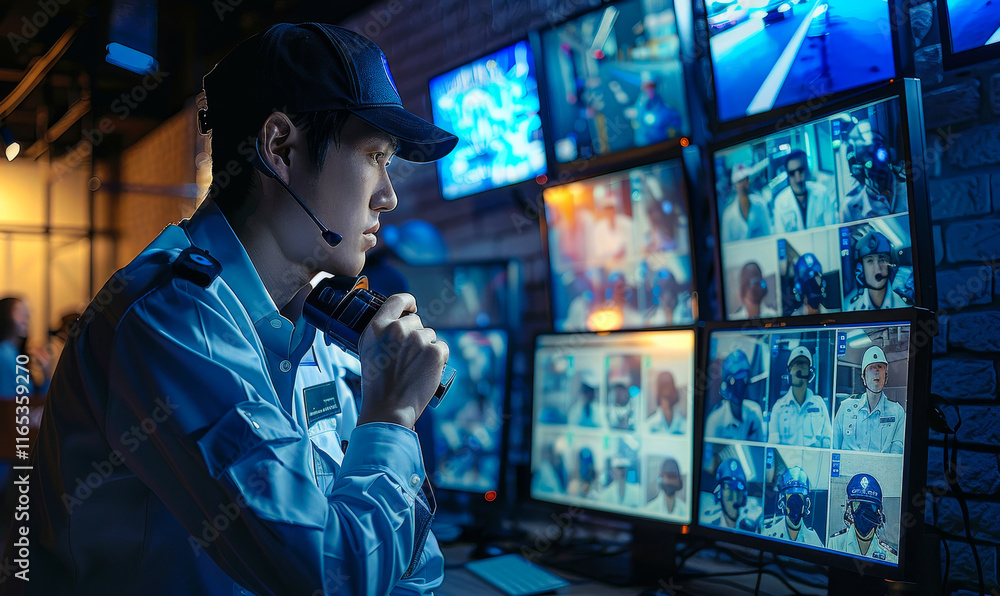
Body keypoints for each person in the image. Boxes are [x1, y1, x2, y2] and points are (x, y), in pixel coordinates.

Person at [7, 24, 460, 596]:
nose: (388, 195)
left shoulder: (312, 324)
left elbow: (415, 564)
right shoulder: (169, 321)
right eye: (374, 156)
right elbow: (333, 574)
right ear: (280, 149)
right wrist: (391, 418)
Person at [833, 346, 904, 454]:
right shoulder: (846, 408)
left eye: (880, 367)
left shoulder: (897, 412)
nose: (876, 371)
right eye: (871, 367)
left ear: (886, 377)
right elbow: (834, 446)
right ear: (863, 377)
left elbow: (897, 452)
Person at [840, 121, 907, 223]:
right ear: (857, 170)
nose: (878, 169)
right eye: (868, 163)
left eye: (880, 158)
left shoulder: (910, 188)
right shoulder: (851, 207)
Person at [767, 346, 832, 448]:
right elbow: (773, 446)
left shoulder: (819, 405)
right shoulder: (779, 407)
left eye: (803, 364)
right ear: (789, 371)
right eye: (796, 364)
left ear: (810, 373)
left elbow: (828, 441)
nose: (800, 367)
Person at [827, 473, 898, 563]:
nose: (863, 512)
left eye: (870, 506)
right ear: (850, 508)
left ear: (879, 511)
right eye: (857, 504)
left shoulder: (889, 555)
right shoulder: (835, 543)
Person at [772, 150, 838, 233]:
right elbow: (780, 236)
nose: (798, 178)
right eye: (792, 173)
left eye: (801, 170)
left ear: (807, 169)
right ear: (788, 176)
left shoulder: (821, 192)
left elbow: (831, 228)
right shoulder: (780, 201)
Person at [705, 350, 765, 441]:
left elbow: (761, 446)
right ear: (727, 383)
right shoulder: (715, 420)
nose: (740, 386)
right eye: (735, 381)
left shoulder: (754, 411)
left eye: (744, 379)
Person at [846, 231, 910, 311]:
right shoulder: (852, 308)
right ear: (861, 270)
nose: (877, 269)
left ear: (891, 267)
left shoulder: (905, 306)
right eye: (870, 261)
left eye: (882, 260)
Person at [759, 466, 824, 546]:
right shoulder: (769, 534)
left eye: (798, 500)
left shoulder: (814, 540)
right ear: (782, 502)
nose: (795, 506)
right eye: (792, 500)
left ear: (806, 503)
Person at [702, 458, 757, 531]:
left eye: (738, 491)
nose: (734, 499)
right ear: (718, 494)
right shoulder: (707, 529)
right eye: (728, 490)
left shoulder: (750, 530)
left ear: (744, 499)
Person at [721, 163, 771, 241]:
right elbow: (727, 243)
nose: (743, 184)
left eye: (746, 180)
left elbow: (768, 232)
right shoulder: (728, 215)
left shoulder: (760, 204)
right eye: (739, 181)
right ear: (734, 186)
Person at [646, 370, 684, 434]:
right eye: (663, 397)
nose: (666, 402)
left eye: (668, 397)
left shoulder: (684, 426)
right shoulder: (649, 425)